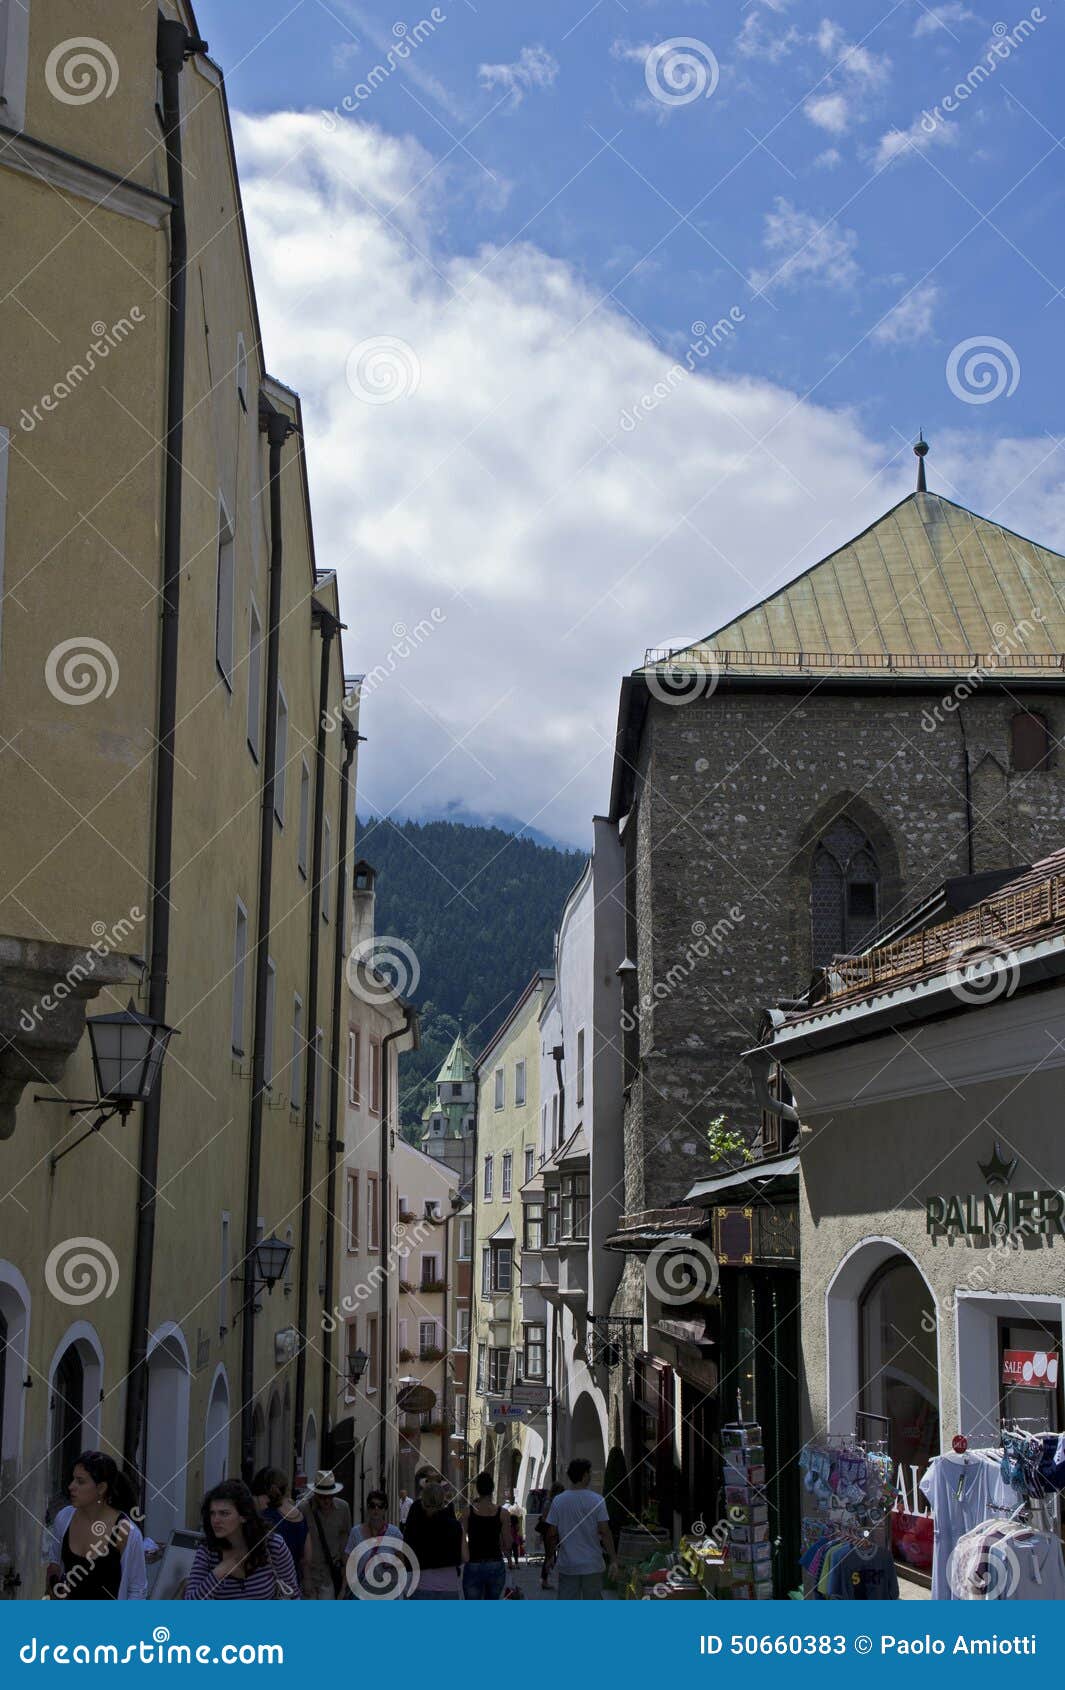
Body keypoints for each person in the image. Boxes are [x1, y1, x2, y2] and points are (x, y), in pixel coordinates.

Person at [46, 1451, 147, 1600]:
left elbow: (137, 1590)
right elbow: (55, 1564)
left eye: (80, 1481)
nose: (71, 1486)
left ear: (101, 1488)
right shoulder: (64, 1518)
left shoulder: (127, 1532)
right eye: (73, 1479)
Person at [184, 1480, 300, 1599]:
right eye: (212, 1513)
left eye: (224, 1513)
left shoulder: (272, 1545)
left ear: (243, 1516)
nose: (215, 1520)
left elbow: (293, 1596)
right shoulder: (208, 1552)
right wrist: (219, 1572)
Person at [544, 1459, 618, 1600]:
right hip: (592, 1564)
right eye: (589, 1473)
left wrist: (550, 1557)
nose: (590, 1476)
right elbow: (604, 1532)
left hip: (568, 1564)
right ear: (584, 1475)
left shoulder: (558, 1501)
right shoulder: (597, 1500)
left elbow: (551, 1534)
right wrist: (613, 1559)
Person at [402, 1479, 465, 1598]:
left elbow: (407, 1551)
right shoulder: (455, 1525)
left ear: (423, 1501)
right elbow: (465, 1556)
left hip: (421, 1584)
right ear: (443, 1501)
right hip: (449, 1587)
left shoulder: (416, 1525)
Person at [253, 1467, 311, 1586]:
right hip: (294, 1580)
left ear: (269, 1489)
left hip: (270, 1582)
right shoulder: (300, 1515)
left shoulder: (266, 1516)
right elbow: (307, 1557)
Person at [299, 1469, 352, 1599]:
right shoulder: (304, 1509)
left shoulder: (343, 1508)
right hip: (308, 1575)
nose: (326, 1500)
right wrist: (306, 1578)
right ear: (315, 1493)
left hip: (329, 1576)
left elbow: (345, 1543)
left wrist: (344, 1581)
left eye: (330, 1495)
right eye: (322, 1496)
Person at [343, 1490, 403, 1597]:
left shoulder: (394, 1533)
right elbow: (349, 1564)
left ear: (385, 1509)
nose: (376, 1509)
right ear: (368, 1508)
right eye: (372, 1505)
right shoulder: (355, 1532)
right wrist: (344, 1589)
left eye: (380, 1506)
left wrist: (391, 1563)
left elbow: (401, 1564)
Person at [462, 1471, 511, 1599]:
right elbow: (508, 1543)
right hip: (495, 1562)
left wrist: (466, 1557)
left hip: (474, 1562)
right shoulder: (503, 1513)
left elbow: (462, 1539)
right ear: (492, 1489)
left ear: (478, 1490)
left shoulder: (468, 1512)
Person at [537, 1482, 564, 1590]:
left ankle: (545, 1578)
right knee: (549, 1556)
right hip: (549, 1531)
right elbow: (545, 1517)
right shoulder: (550, 1502)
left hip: (551, 1531)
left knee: (550, 1556)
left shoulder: (550, 1502)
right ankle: (544, 1580)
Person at [504, 1492, 524, 1567]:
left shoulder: (507, 1518)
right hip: (515, 1539)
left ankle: (510, 1563)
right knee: (515, 1552)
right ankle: (516, 1563)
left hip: (509, 1538)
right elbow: (518, 1528)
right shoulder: (515, 1518)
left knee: (509, 1551)